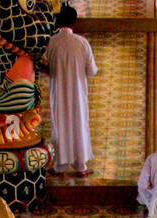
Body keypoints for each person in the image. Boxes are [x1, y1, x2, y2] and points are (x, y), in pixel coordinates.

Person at [44, 5, 97, 177]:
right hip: (78, 93)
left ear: (57, 21)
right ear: (75, 23)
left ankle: (60, 167)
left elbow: (44, 66)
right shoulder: (82, 43)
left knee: (60, 125)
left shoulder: (52, 42)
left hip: (58, 91)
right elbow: (91, 70)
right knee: (79, 124)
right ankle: (81, 166)